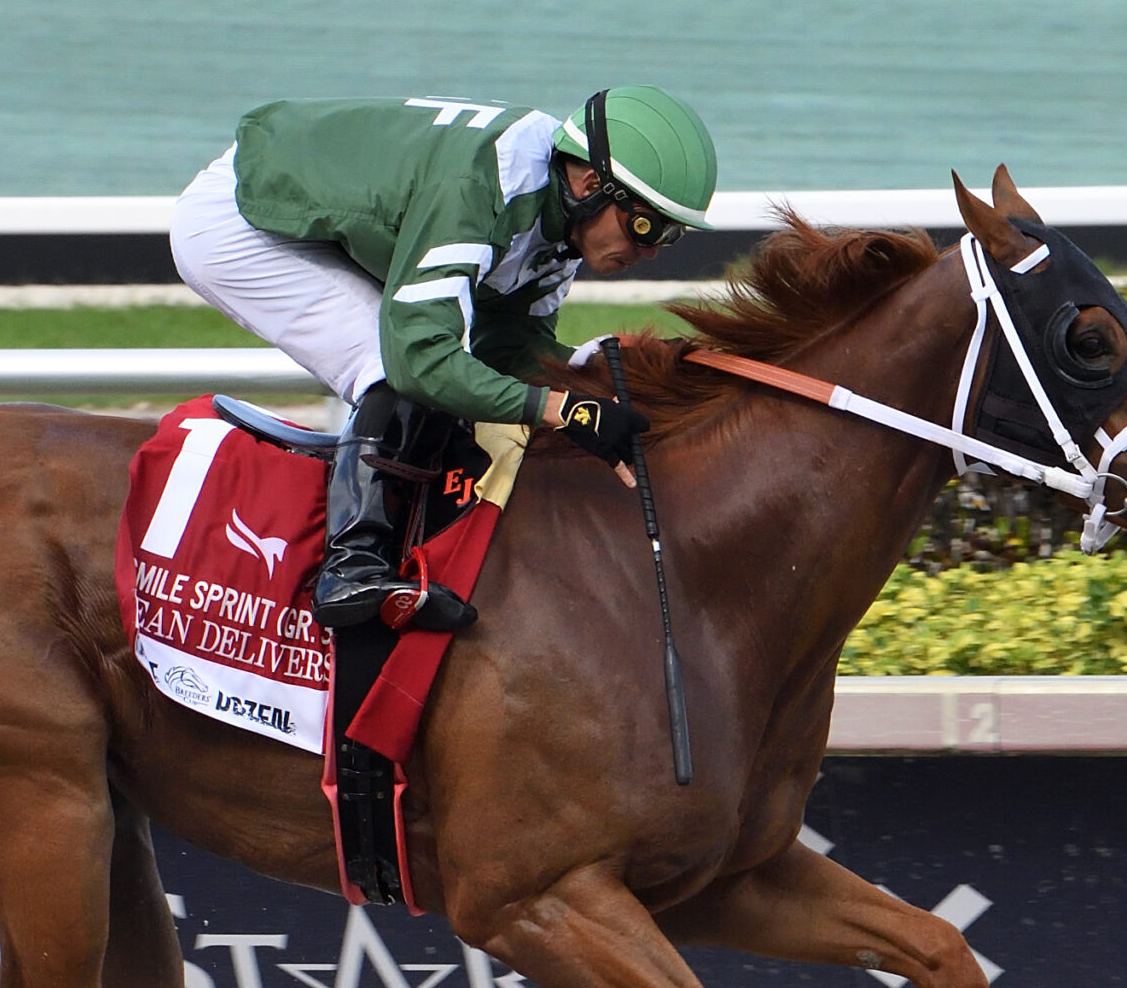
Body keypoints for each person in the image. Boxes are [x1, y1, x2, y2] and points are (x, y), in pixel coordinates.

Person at [170, 87, 719, 631]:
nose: (648, 251)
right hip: (243, 222)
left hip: (338, 215)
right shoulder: (483, 189)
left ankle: (419, 549)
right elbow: (422, 363)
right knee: (395, 370)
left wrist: (592, 372)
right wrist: (561, 408)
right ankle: (352, 567)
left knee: (459, 379)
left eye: (668, 237)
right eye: (644, 226)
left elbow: (505, 350)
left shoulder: (557, 226)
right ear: (590, 184)